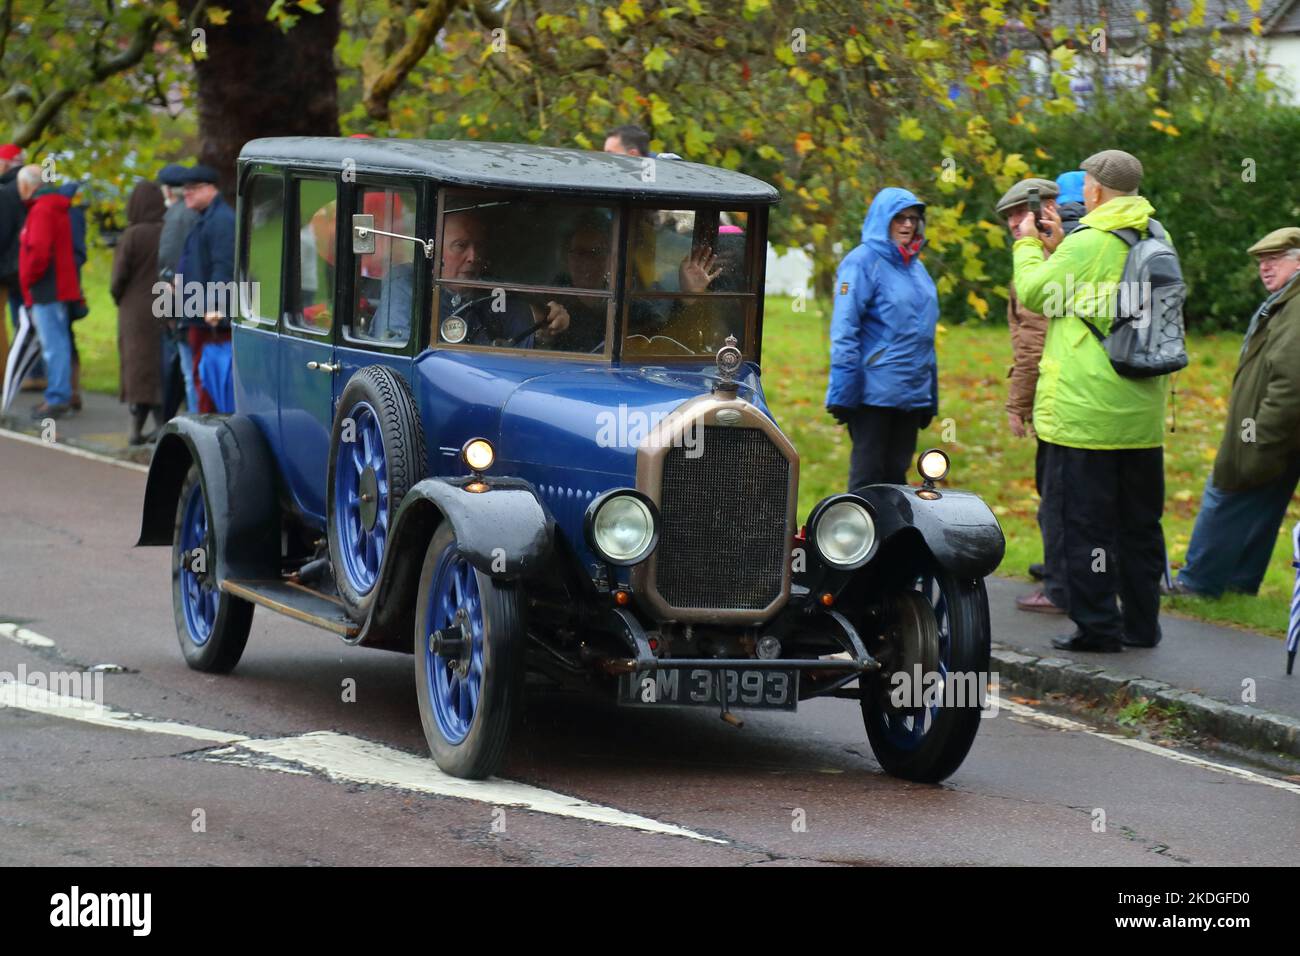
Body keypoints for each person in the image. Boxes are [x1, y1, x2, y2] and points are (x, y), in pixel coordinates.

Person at [1011, 149, 1171, 652]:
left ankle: (1098, 627)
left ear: (1095, 191)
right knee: (1140, 526)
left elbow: (1038, 293)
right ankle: (1142, 625)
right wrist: (1061, 247)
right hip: (1141, 413)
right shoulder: (1156, 236)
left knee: (1087, 526)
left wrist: (1029, 246)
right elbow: (1094, 292)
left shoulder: (1089, 242)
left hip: (1087, 413)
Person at [1172, 227, 1300, 597]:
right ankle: (1239, 585)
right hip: (1275, 430)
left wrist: (1259, 436)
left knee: (1226, 491)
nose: (1264, 267)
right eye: (1261, 260)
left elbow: (1290, 382)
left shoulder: (1295, 305)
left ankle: (1199, 583)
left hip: (1264, 428)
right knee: (1262, 502)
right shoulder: (1286, 300)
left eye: (1274, 259)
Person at [825, 186, 939, 489]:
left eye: (913, 218)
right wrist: (843, 391)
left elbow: (925, 336)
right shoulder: (861, 262)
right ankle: (855, 535)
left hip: (911, 394)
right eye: (899, 218)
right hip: (872, 394)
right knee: (867, 479)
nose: (907, 225)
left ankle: (892, 538)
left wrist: (931, 396)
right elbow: (844, 329)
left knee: (897, 477)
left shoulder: (917, 268)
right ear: (882, 220)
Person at [996, 177, 1066, 615]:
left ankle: (1059, 585)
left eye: (1016, 216)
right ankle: (1063, 573)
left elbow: (1032, 340)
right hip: (1076, 391)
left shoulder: (1037, 262)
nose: (1012, 227)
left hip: (1056, 395)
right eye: (1008, 219)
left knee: (1057, 495)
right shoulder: (1068, 248)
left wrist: (1018, 404)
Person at [374, 207, 569, 347]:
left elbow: (525, 329)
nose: (473, 257)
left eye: (479, 246)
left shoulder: (492, 292)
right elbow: (395, 348)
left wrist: (548, 324)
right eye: (461, 245)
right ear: (435, 250)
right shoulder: (407, 284)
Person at [16, 164, 81, 418]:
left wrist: (29, 278)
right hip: (56, 284)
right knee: (58, 342)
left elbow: (39, 251)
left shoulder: (42, 210)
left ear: (27, 185)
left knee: (53, 344)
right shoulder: (52, 206)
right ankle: (60, 393)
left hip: (47, 286)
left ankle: (57, 397)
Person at [111, 181, 166, 444]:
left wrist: (117, 295)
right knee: (156, 366)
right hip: (163, 304)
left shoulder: (132, 235)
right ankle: (160, 425)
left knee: (136, 368)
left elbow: (118, 277)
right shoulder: (165, 230)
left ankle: (135, 427)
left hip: (134, 309)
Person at [177, 164, 234, 414]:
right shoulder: (208, 218)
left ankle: (206, 432)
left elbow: (223, 266)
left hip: (209, 320)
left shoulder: (220, 220)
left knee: (206, 379)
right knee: (200, 377)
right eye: (185, 189)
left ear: (210, 189)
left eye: (193, 188)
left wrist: (214, 306)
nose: (186, 193)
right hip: (199, 313)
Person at [155, 164, 196, 419]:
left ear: (168, 190)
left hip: (182, 302)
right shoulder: (192, 213)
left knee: (183, 367)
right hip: (197, 297)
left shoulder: (175, 216)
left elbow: (168, 266)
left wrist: (167, 309)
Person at [0, 144, 27, 381]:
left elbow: (3, 232)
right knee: (28, 320)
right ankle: (32, 372)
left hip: (8, 268)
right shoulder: (31, 186)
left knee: (12, 321)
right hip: (28, 265)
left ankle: (6, 374)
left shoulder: (6, 190)